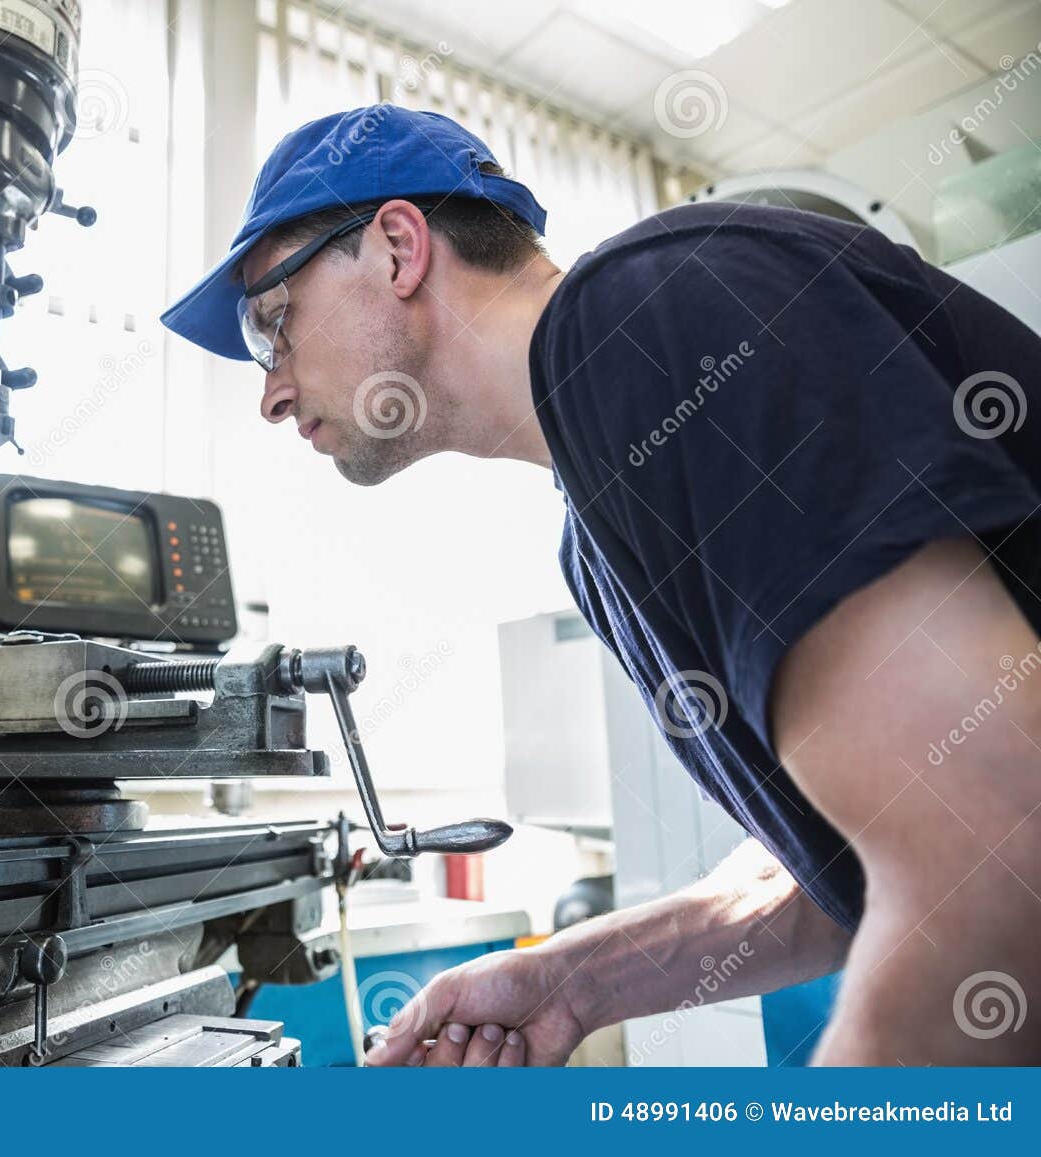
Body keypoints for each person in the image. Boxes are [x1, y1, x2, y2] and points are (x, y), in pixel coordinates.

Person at [160, 105, 1041, 1066]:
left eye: (270, 324)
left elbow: (992, 855)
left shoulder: (654, 314)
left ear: (399, 248)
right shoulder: (596, 538)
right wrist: (573, 981)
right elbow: (848, 865)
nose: (272, 391)